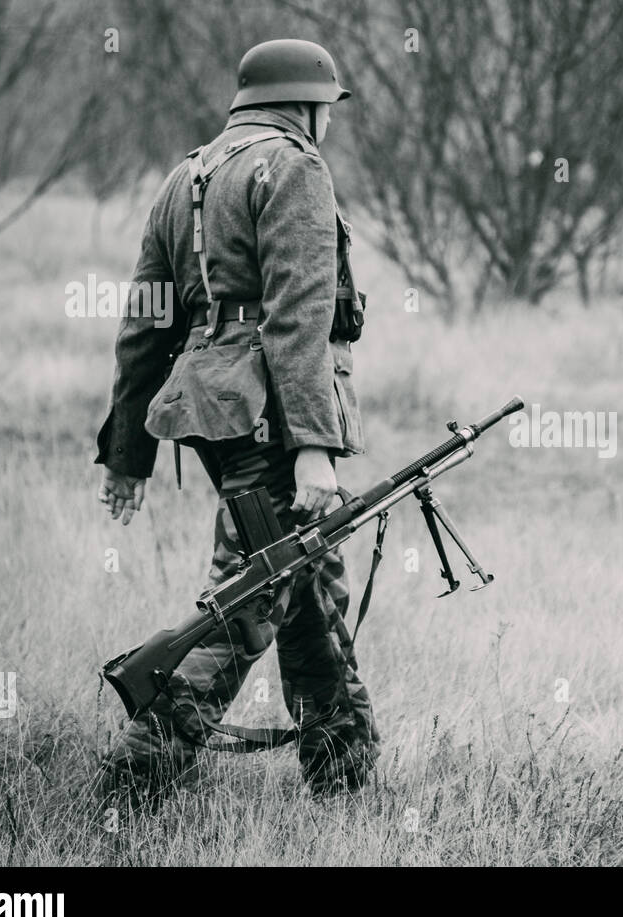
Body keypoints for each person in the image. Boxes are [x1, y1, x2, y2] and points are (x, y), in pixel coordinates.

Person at [93, 38, 380, 807]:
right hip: (274, 424)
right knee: (249, 602)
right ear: (307, 104)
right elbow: (298, 316)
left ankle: (344, 781)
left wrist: (128, 453)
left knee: (305, 593)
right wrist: (315, 449)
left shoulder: (185, 175)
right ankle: (136, 777)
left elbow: (145, 327)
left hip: (215, 420)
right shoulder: (294, 166)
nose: (329, 122)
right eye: (328, 108)